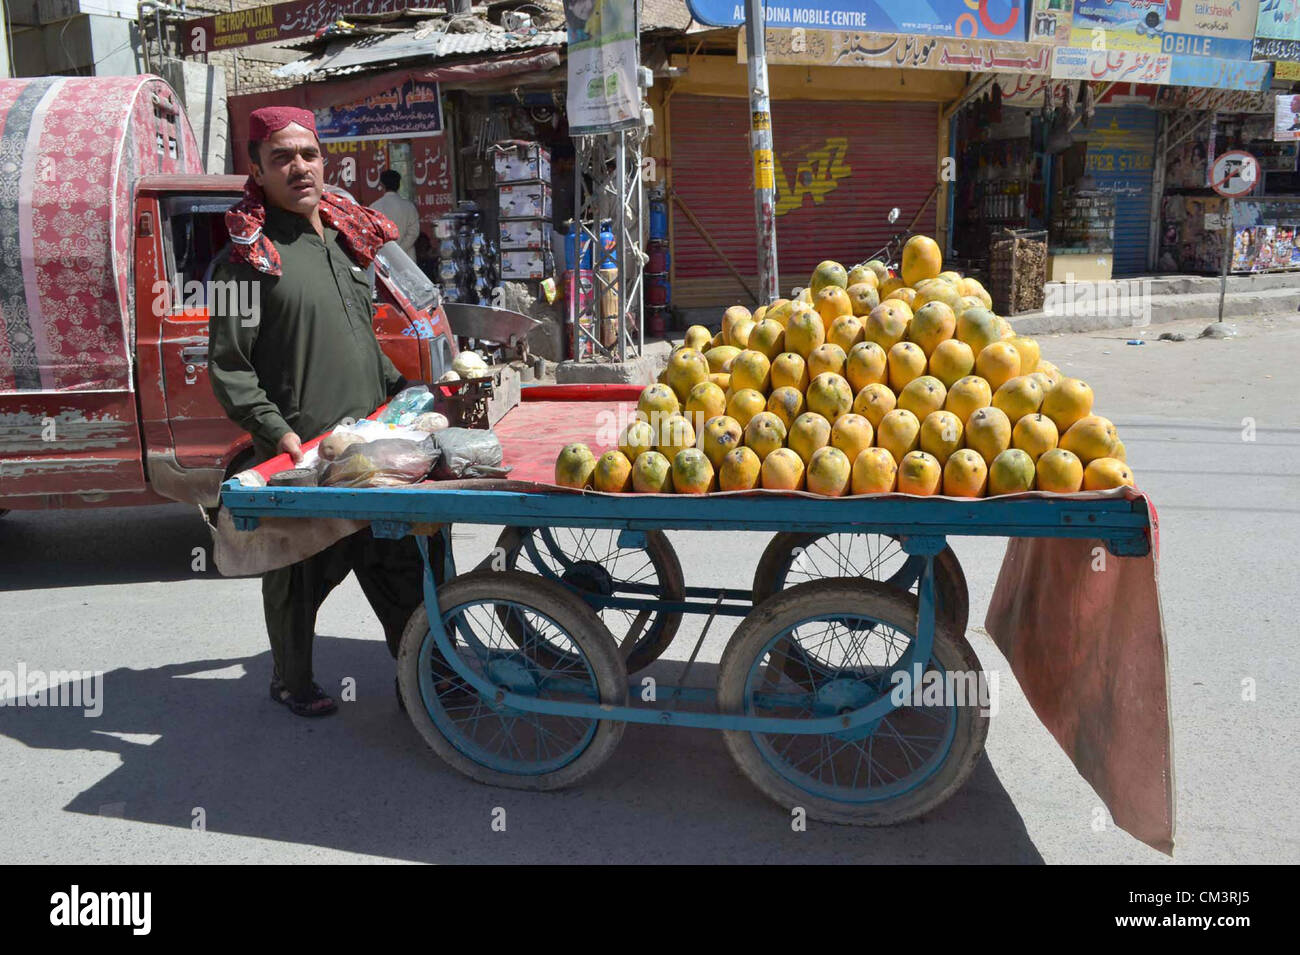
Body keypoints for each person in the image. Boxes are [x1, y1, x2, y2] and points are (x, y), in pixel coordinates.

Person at [207, 106, 437, 717]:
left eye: (307, 154)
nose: (299, 167)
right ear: (256, 168)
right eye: (280, 156)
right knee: (298, 577)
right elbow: (229, 364)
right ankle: (291, 681)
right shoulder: (242, 259)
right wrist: (274, 430)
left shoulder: (345, 239)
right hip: (301, 454)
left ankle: (422, 678)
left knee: (400, 563)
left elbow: (360, 338)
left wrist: (409, 393)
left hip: (370, 447)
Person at [371, 169, 420, 258]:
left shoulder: (374, 208)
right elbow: (414, 232)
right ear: (399, 185)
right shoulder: (409, 206)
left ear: (382, 185)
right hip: (407, 259)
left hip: (384, 259)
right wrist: (400, 250)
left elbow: (372, 234)